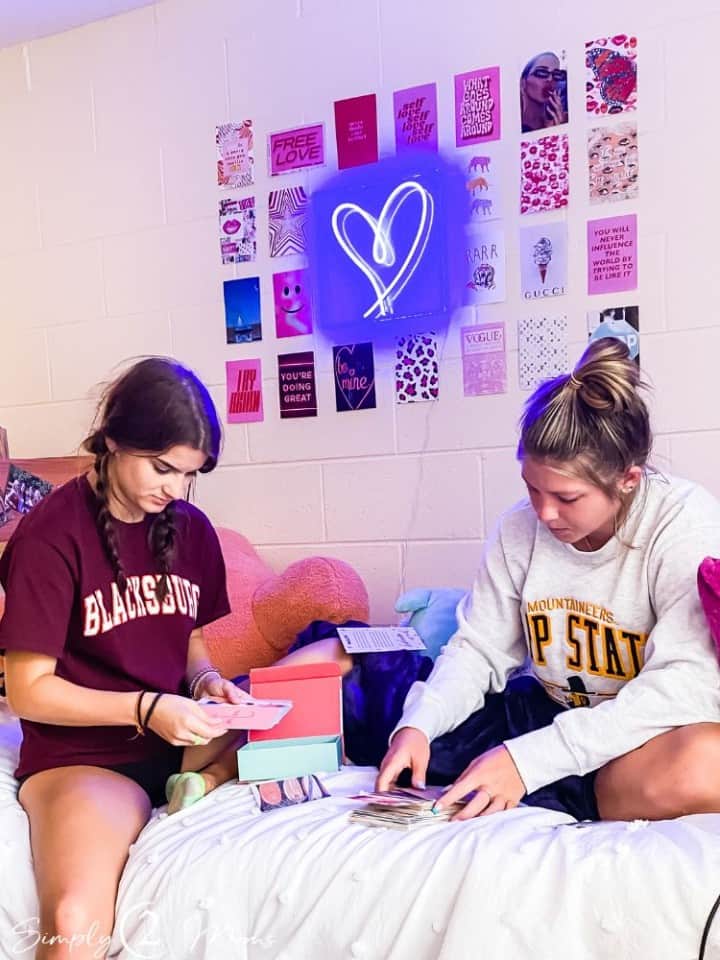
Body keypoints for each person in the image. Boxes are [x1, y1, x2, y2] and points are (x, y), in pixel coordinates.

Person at [335, 338, 720, 823]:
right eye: (532, 488)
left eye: (567, 497)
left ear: (628, 479)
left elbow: (686, 684)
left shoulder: (683, 522)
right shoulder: (519, 528)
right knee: (381, 703)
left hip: (640, 735)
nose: (544, 512)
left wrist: (528, 762)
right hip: (543, 716)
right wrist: (419, 726)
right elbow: (478, 650)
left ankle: (562, 789)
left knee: (702, 765)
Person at [0, 358, 251, 958]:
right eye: (162, 468)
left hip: (181, 737)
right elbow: (29, 690)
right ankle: (201, 780)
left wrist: (206, 680)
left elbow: (187, 639)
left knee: (328, 666)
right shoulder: (49, 535)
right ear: (112, 440)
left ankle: (202, 779)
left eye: (189, 474)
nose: (175, 490)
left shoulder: (191, 529)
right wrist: (146, 708)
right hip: (87, 759)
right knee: (73, 920)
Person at [520, 52, 568, 133]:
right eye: (542, 72)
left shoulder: (566, 119)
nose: (550, 79)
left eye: (556, 74)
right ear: (523, 82)